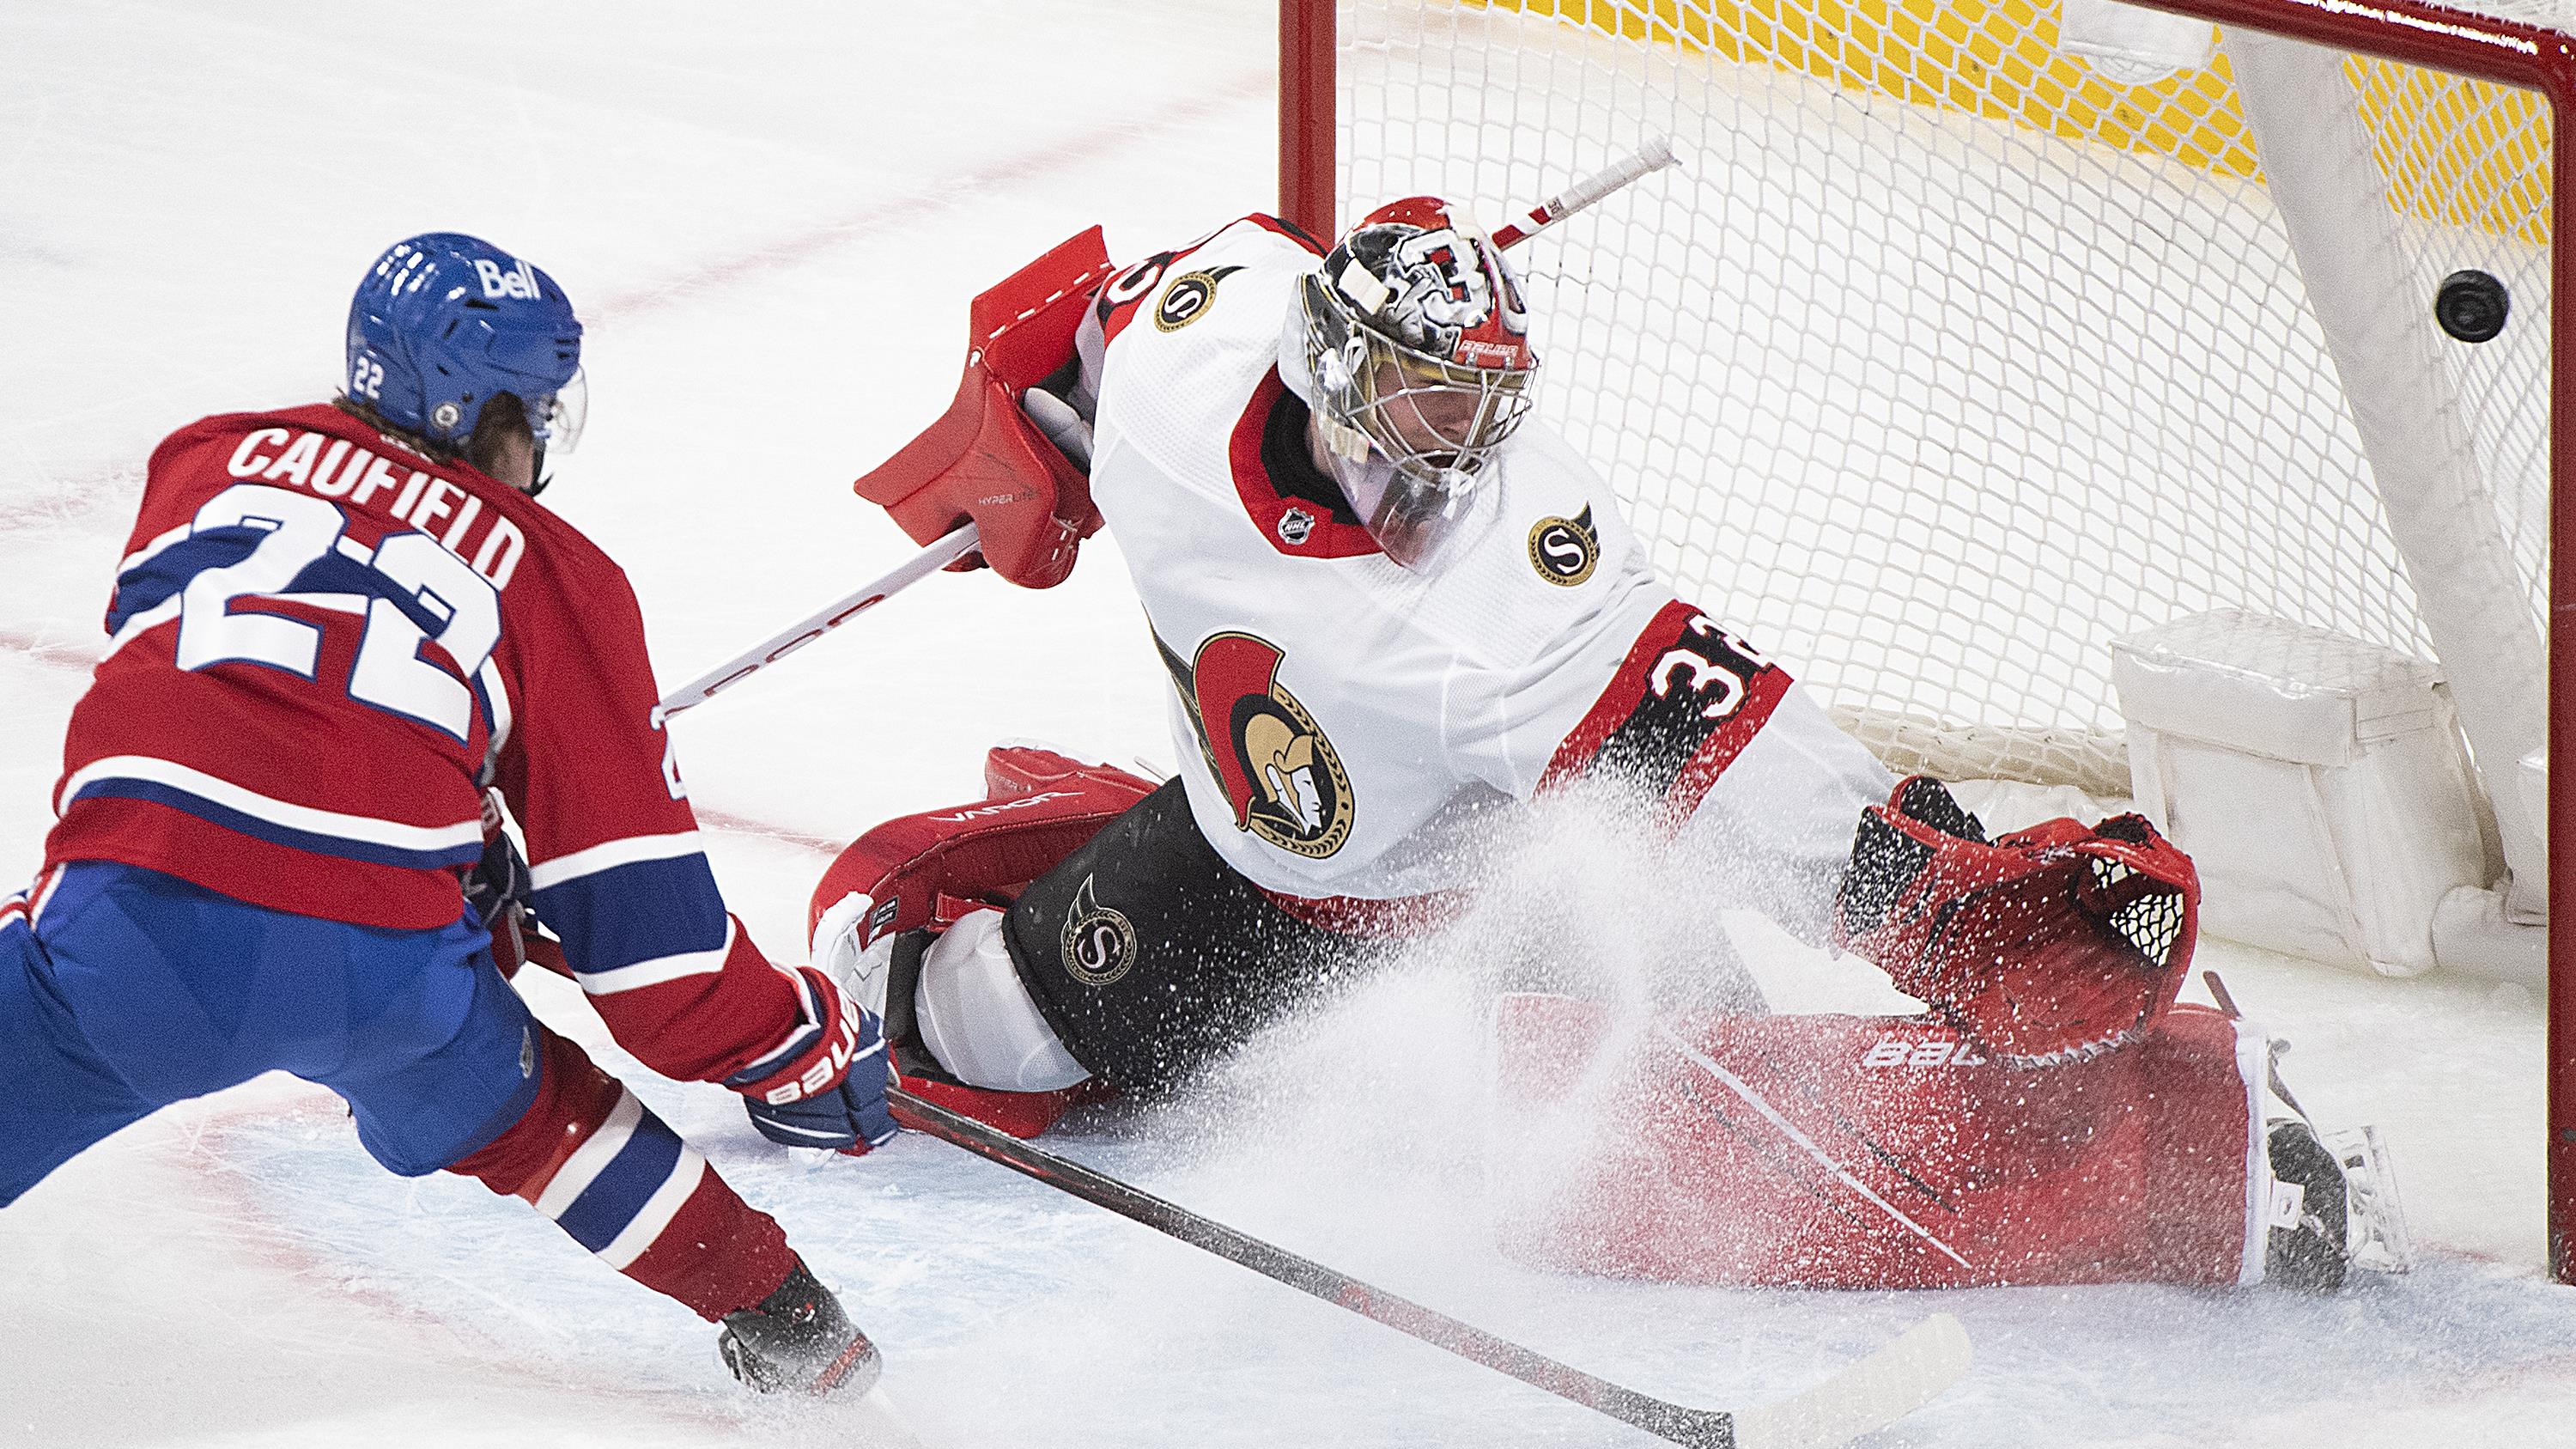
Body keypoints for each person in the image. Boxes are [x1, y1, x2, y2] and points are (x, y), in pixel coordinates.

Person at [816, 200, 2408, 1292]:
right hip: (1256, 883)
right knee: (964, 1036)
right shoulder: (1198, 344)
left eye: (1484, 408)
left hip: (1491, 902)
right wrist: (1025, 447)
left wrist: (1927, 892)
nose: (1459, 451)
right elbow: (1097, 316)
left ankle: (2180, 1161)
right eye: (1426, 403)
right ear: (1330, 364)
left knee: (1702, 1156)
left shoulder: (1512, 588)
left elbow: (1725, 751)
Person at [0, 234, 896, 1391]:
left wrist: (446, 837)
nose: (541, 446)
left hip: (134, 936)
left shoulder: (201, 461)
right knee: (530, 1114)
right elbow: (659, 969)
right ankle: (795, 1326)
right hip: (380, 977)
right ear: (478, 413)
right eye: (534, 414)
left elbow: (205, 707)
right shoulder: (552, 572)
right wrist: (796, 1044)